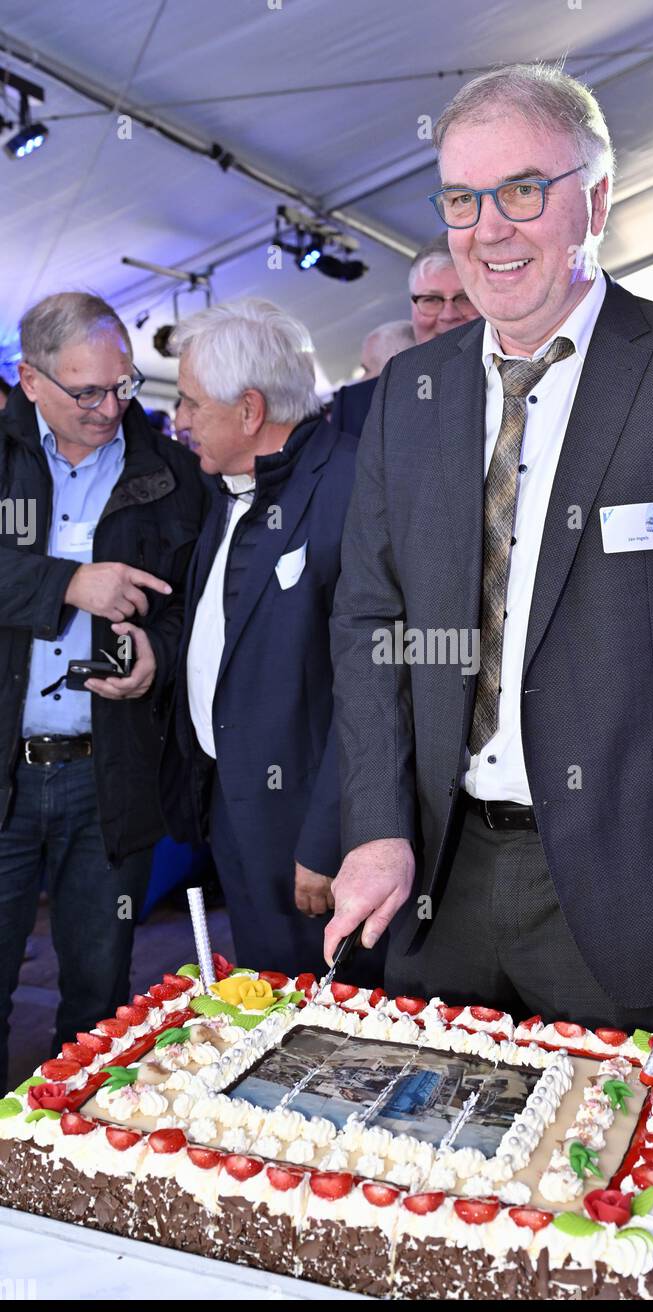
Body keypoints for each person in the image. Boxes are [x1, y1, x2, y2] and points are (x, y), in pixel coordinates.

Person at [326, 63, 653, 1038]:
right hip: (441, 885)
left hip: (638, 885)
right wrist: (377, 822)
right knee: (443, 1169)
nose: (488, 229)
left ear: (594, 200)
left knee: (631, 1178)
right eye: (462, 199)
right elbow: (366, 628)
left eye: (522, 190)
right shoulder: (411, 391)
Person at [0, 292, 207, 1090]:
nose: (108, 408)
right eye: (86, 391)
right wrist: (68, 582)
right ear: (30, 381)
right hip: (7, 777)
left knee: (97, 1000)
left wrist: (160, 648)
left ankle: (76, 1169)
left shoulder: (174, 472)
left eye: (122, 387)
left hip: (111, 776)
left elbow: (206, 606)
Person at [161, 299, 360, 978]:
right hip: (236, 809)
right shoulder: (227, 485)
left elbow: (374, 690)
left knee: (333, 1035)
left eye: (189, 403)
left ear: (249, 410)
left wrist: (327, 840)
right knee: (264, 1005)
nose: (179, 420)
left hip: (311, 835)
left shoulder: (351, 489)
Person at [329, 234, 481, 438]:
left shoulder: (524, 383)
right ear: (412, 306)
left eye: (465, 298)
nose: (449, 315)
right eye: (431, 299)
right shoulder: (360, 406)